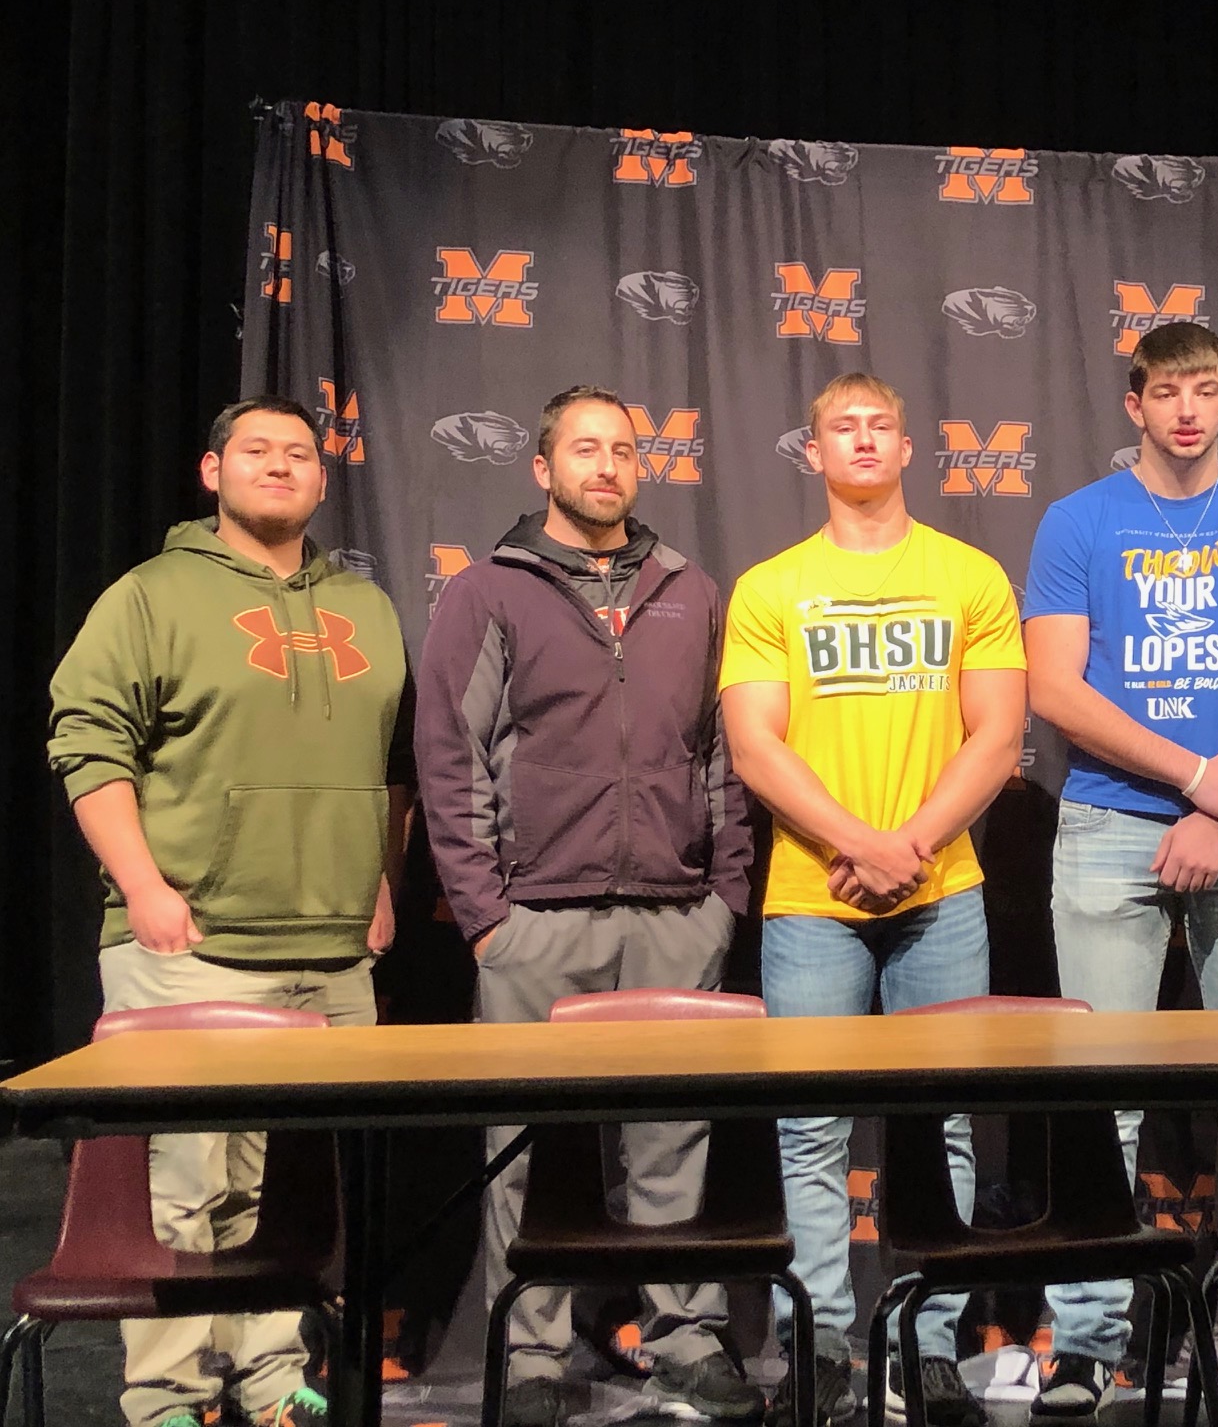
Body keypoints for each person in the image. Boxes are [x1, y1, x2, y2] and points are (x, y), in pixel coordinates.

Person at [48, 396, 412, 1427]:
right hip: (194, 949)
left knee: (293, 1195)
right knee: (188, 1186)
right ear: (213, 472)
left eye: (300, 453)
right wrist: (145, 890)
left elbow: (390, 766)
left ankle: (271, 1378)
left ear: (324, 478)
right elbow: (86, 743)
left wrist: (380, 880)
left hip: (332, 954)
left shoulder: (367, 606)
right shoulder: (151, 595)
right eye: (256, 450)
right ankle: (168, 1392)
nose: (280, 466)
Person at [416, 384, 759, 1427]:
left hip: (674, 914)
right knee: (520, 1153)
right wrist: (486, 915)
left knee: (672, 1144)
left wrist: (723, 895)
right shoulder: (488, 591)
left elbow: (723, 754)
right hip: (535, 918)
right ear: (543, 467)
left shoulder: (690, 591)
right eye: (584, 449)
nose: (606, 466)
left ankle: (685, 1338)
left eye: (622, 450)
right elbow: (450, 756)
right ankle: (530, 1353)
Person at [1020, 321, 1218, 1423]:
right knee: (1097, 1096)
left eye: (1205, 388)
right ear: (1136, 404)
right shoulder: (1078, 521)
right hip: (1111, 824)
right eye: (1167, 392)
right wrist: (1197, 778)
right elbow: (1056, 691)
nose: (1188, 410)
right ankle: (1084, 1344)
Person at [720, 372, 1026, 1427]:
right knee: (809, 1132)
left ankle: (926, 1351)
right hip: (814, 895)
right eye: (841, 428)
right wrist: (860, 845)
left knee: (940, 1129)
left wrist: (911, 845)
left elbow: (999, 735)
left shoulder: (969, 575)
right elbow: (754, 744)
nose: (861, 440)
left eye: (879, 426)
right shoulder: (770, 587)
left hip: (941, 893)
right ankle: (818, 1352)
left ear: (907, 449)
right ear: (812, 453)